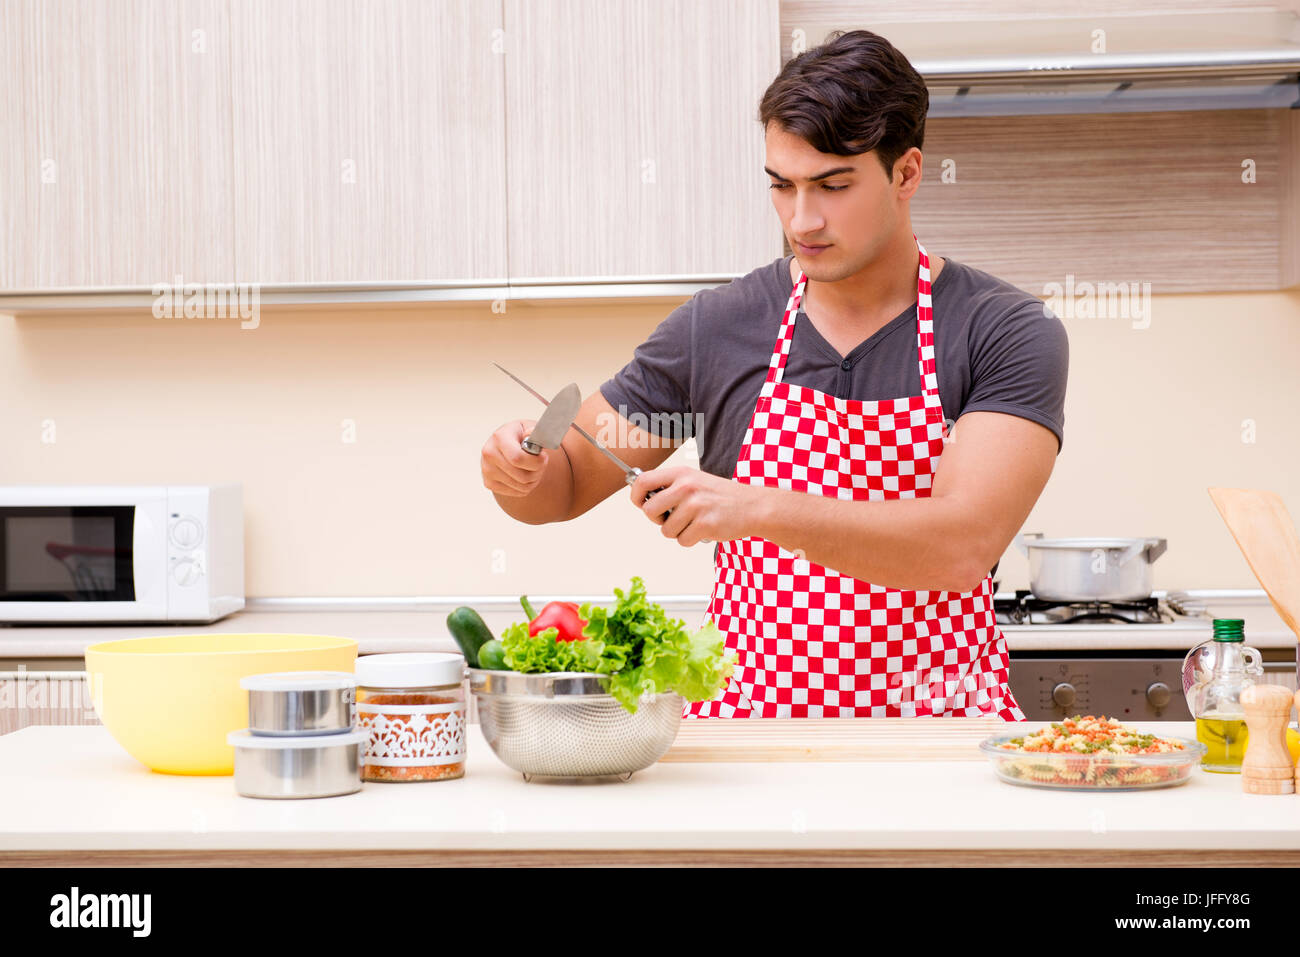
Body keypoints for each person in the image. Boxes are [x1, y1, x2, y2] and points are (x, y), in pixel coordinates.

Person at [480, 30, 1067, 720]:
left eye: (832, 185)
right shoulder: (717, 329)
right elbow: (569, 480)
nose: (801, 218)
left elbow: (960, 545)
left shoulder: (1005, 330)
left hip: (935, 742)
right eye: (782, 185)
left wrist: (757, 507)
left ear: (907, 173)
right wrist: (518, 470)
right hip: (753, 744)